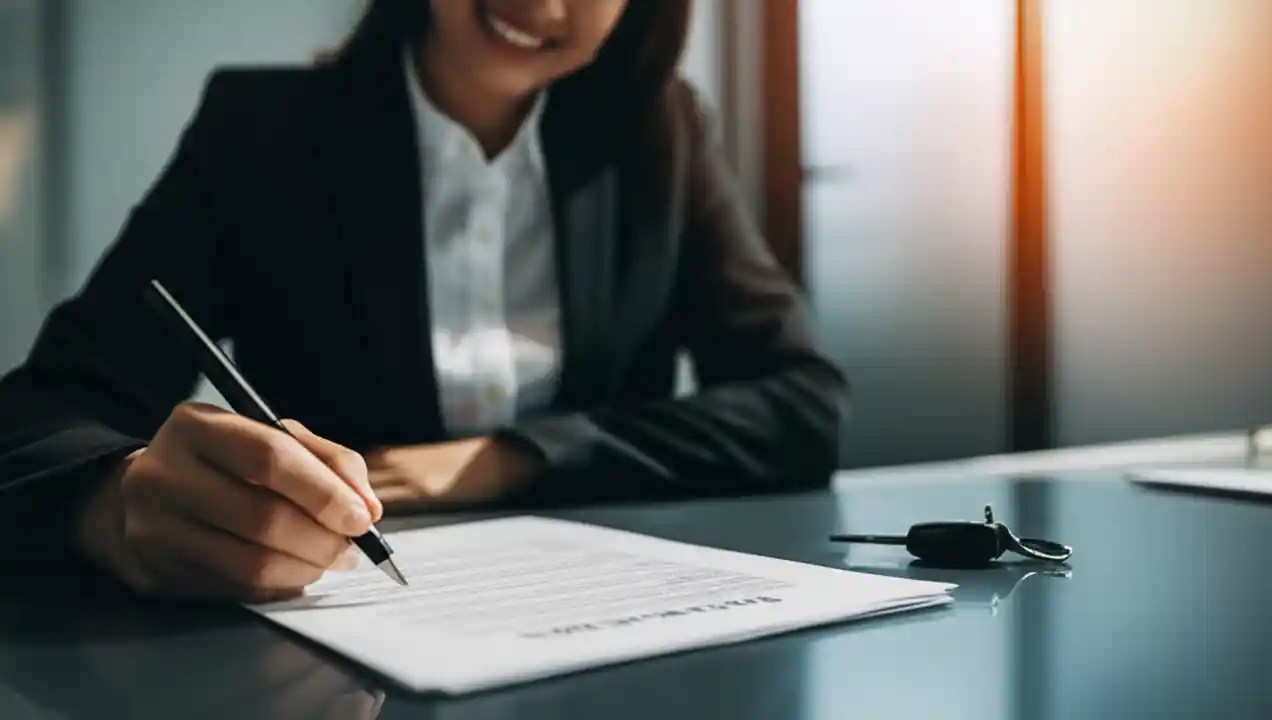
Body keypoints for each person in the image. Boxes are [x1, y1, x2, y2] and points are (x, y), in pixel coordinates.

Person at [0, 0, 846, 601]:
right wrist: (114, 509)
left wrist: (506, 457)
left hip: (605, 622)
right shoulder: (262, 133)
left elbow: (801, 404)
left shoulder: (662, 132)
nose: (546, 1)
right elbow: (39, 416)